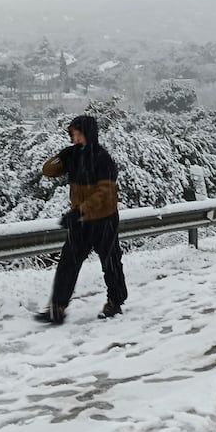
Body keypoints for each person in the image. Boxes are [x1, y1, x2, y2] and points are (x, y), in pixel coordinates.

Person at [36, 114, 127, 324]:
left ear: (89, 134)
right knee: (68, 263)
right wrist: (62, 156)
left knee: (110, 262)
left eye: (79, 134)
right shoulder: (74, 155)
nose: (76, 138)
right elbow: (48, 170)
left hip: (104, 220)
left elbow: (105, 192)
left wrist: (80, 210)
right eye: (73, 134)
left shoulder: (102, 158)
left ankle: (115, 301)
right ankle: (57, 308)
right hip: (81, 220)